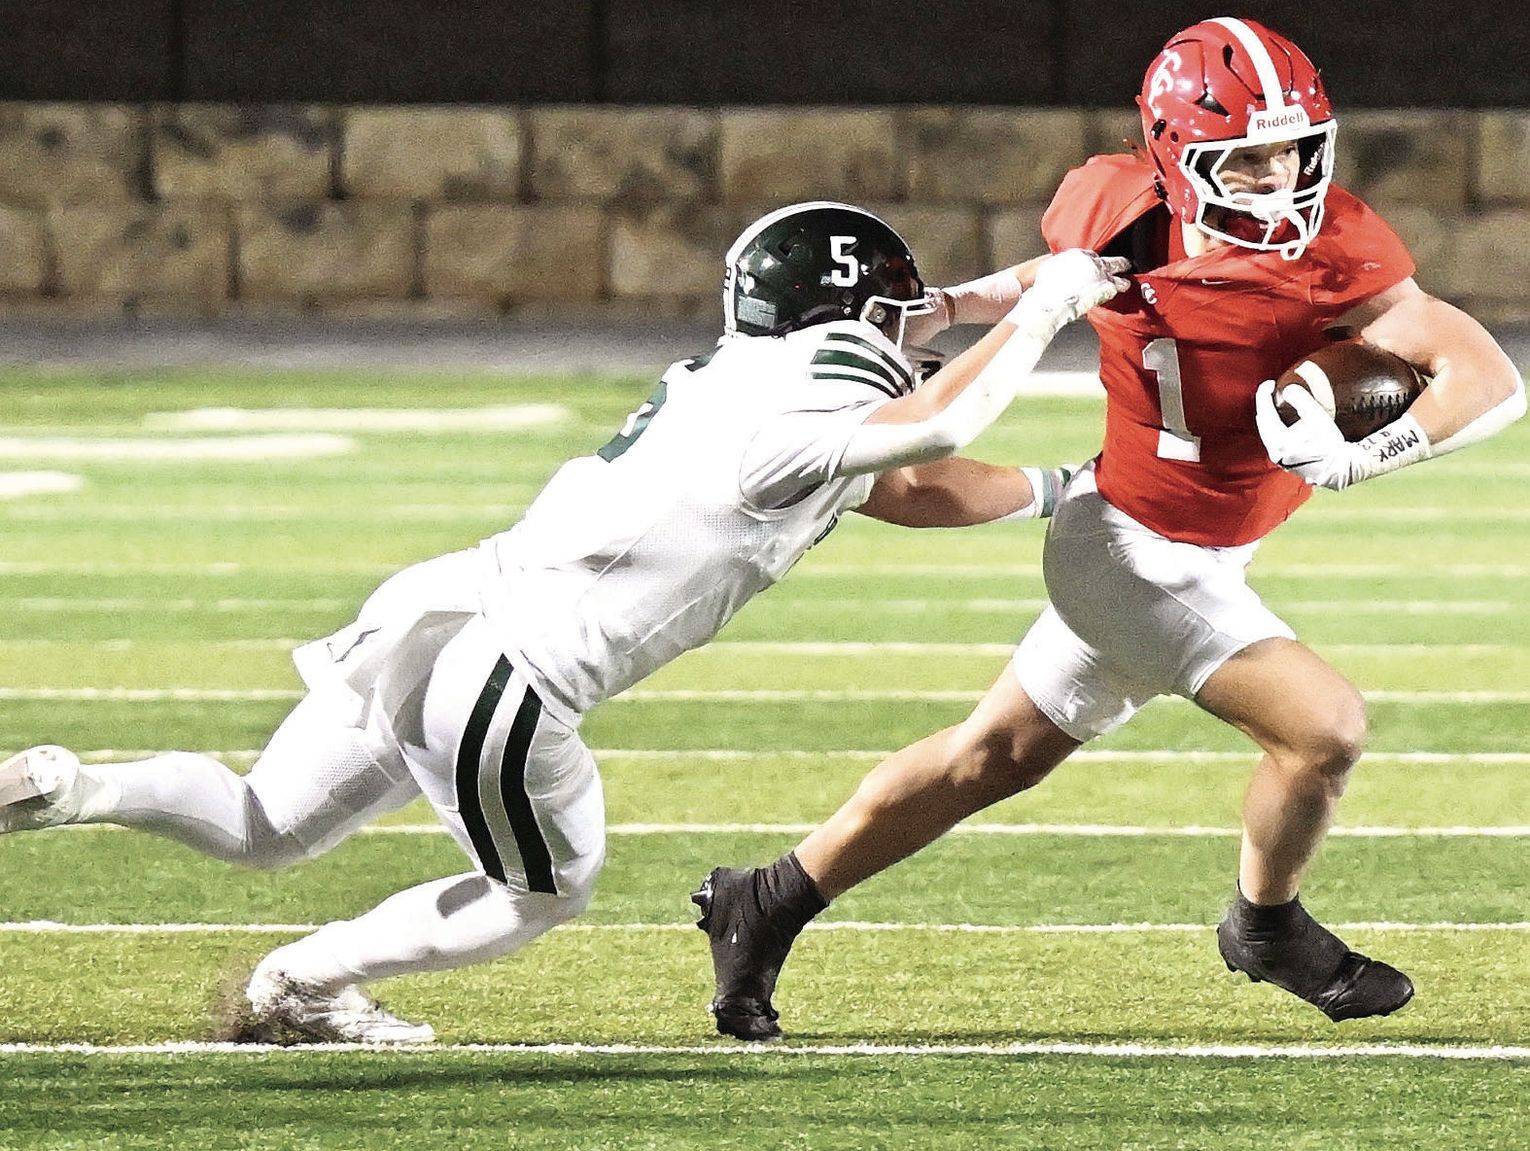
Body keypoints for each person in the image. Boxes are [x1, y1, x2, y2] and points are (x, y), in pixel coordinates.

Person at [0, 201, 1126, 1044]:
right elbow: (940, 423)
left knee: (262, 822)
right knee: (545, 889)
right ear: (850, 323)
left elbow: (920, 485)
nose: (912, 331)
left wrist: (1070, 479)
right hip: (511, 677)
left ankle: (73, 785)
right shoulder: (807, 407)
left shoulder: (747, 382)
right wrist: (1047, 309)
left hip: (439, 616)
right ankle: (303, 981)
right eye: (892, 316)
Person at [696, 17, 1527, 1041]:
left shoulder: (1338, 245)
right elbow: (1063, 273)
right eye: (1249, 159)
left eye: (1295, 151)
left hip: (1202, 545)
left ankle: (764, 899)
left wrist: (1367, 452)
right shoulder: (1113, 199)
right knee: (1323, 731)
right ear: (1179, 158)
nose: (1278, 181)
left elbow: (1484, 373)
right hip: (1125, 547)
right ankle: (1266, 926)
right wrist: (954, 305)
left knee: (988, 755)